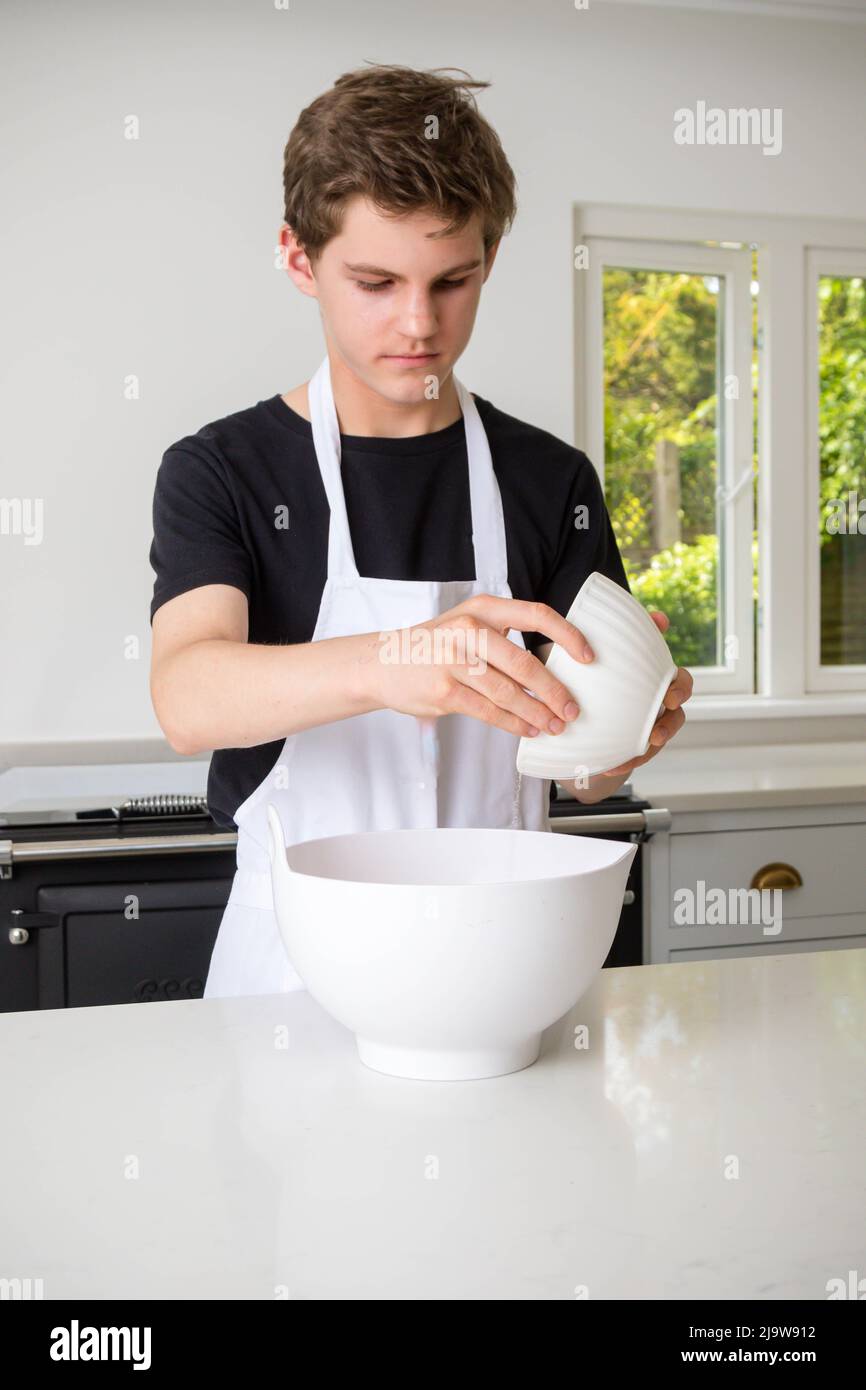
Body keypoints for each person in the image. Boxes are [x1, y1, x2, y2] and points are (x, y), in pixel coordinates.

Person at [148, 63, 693, 1000]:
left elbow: (584, 764)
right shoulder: (224, 469)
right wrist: (394, 661)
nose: (419, 323)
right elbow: (188, 698)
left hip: (507, 970)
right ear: (297, 259)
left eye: (454, 280)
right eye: (375, 280)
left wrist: (622, 740)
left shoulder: (549, 480)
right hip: (291, 984)